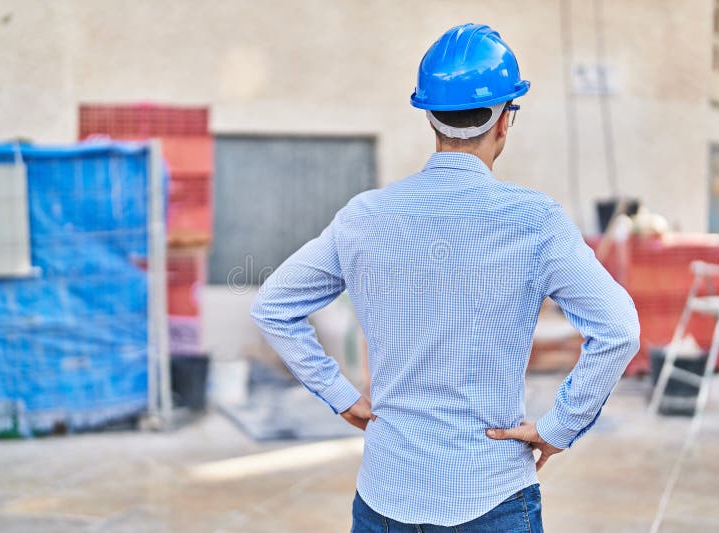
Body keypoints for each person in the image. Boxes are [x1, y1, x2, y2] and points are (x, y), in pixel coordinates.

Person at [251, 22, 640, 532]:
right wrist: (558, 429)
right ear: (505, 121)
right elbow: (619, 329)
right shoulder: (536, 222)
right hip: (492, 493)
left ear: (430, 118)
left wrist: (339, 394)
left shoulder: (364, 217)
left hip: (385, 496)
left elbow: (273, 305)